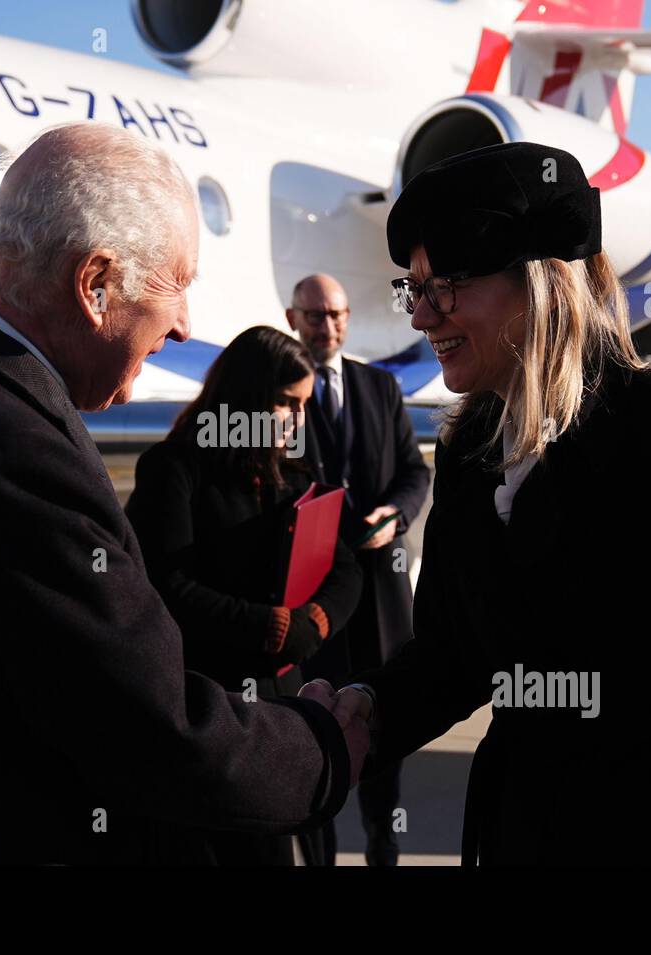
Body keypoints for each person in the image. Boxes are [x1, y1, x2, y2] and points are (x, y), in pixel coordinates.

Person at [0, 122, 366, 865]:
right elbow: (150, 729)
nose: (184, 324)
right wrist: (322, 748)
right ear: (96, 285)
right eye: (177, 282)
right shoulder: (6, 442)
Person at [308, 141, 651, 865]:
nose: (420, 316)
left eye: (442, 286)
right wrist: (372, 703)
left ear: (541, 282)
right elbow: (455, 654)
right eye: (410, 288)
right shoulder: (470, 447)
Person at [125, 325, 363, 864]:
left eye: (303, 405)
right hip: (212, 709)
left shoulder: (289, 472)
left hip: (287, 701)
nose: (296, 420)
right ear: (246, 395)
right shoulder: (174, 469)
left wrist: (316, 621)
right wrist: (270, 626)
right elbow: (166, 586)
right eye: (284, 402)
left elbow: (346, 568)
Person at [285, 274, 430, 865]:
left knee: (378, 734)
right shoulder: (280, 395)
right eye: (316, 316)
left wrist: (396, 514)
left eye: (338, 315)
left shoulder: (380, 387)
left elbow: (414, 472)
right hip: (311, 601)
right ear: (292, 318)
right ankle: (319, 856)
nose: (329, 327)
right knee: (310, 733)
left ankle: (382, 848)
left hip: (378, 597)